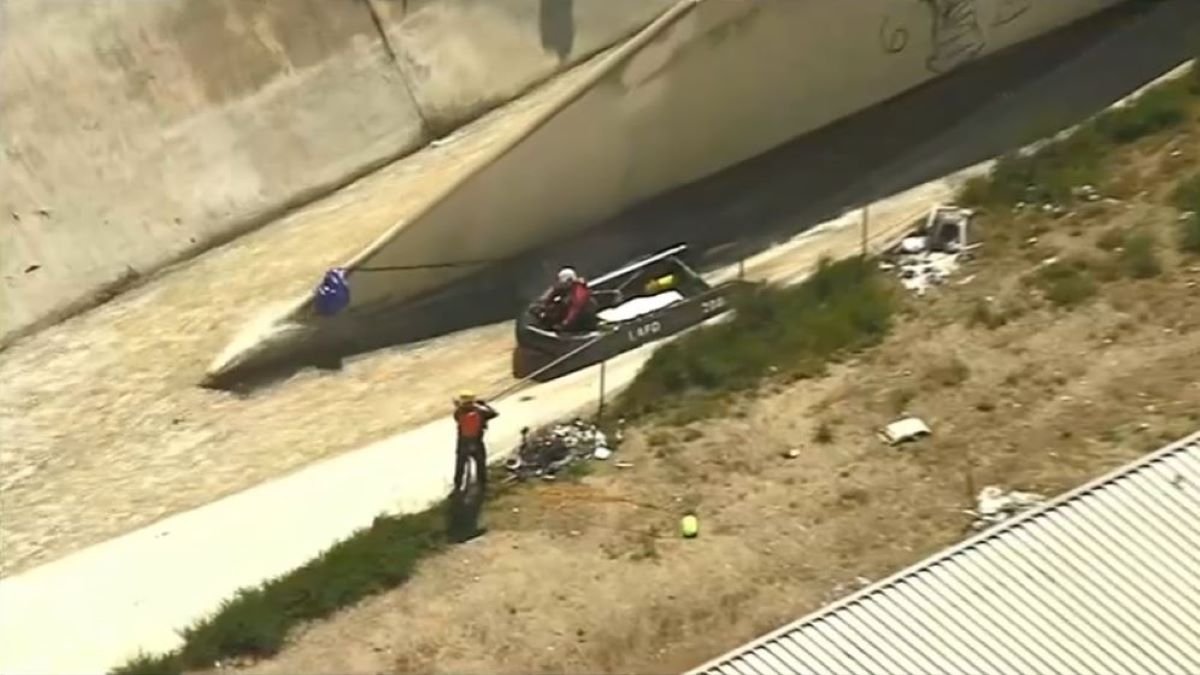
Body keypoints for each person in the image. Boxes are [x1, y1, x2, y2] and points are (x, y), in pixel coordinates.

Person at [452, 391, 498, 496]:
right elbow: (494, 413)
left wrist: (458, 405)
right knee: (480, 465)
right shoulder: (481, 411)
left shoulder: (458, 413)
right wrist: (484, 405)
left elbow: (457, 416)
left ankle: (457, 486)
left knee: (460, 466)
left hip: (463, 443)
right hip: (477, 442)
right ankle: (481, 486)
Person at [538, 267, 597, 332]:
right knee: (557, 305)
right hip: (568, 309)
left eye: (564, 283)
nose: (562, 284)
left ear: (570, 281)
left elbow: (574, 310)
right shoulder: (564, 286)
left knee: (566, 303)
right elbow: (551, 292)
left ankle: (578, 330)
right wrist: (542, 306)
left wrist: (564, 323)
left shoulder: (579, 292)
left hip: (581, 314)